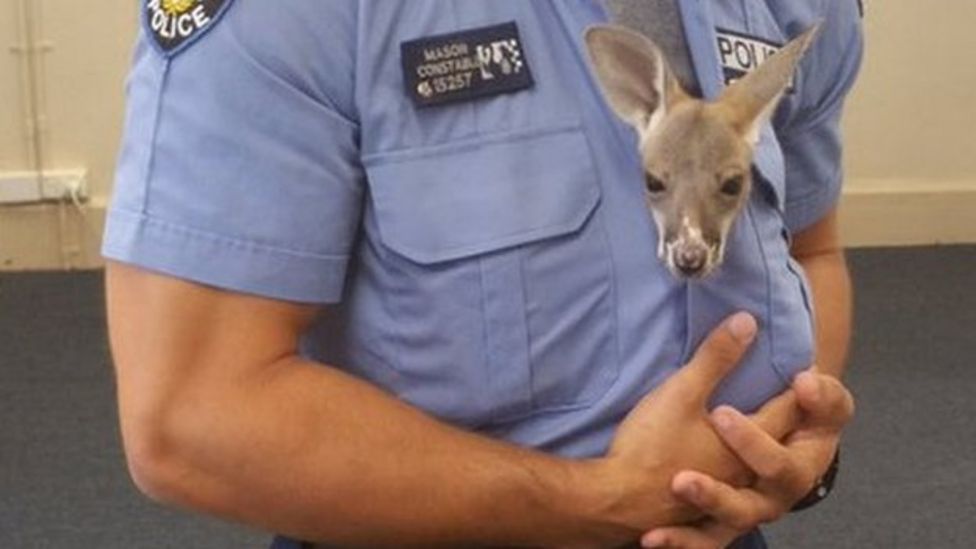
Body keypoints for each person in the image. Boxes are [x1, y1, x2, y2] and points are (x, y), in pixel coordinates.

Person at [103, 1, 863, 547]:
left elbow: (807, 252)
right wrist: (604, 500)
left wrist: (787, 449)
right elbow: (191, 413)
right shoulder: (298, 17)